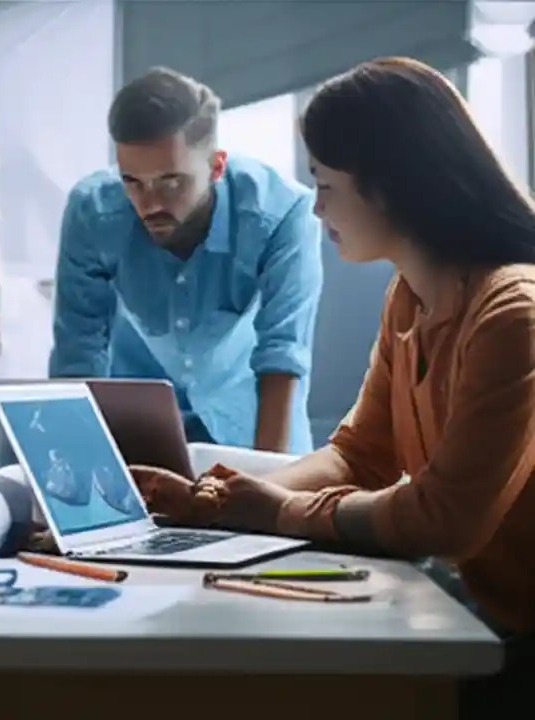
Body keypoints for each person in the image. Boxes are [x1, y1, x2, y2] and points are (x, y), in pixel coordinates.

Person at [131, 58, 534, 701]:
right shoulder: (409, 298)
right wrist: (217, 502)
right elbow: (360, 454)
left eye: (324, 183)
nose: (316, 205)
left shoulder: (514, 312)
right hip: (489, 617)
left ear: (389, 185)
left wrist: (282, 511)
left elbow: (446, 518)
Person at [49, 67, 323, 455]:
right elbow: (78, 352)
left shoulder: (282, 213)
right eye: (132, 181)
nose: (150, 204)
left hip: (253, 427)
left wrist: (269, 480)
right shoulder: (92, 211)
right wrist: (72, 466)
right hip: (143, 433)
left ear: (216, 166)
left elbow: (283, 352)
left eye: (171, 181)